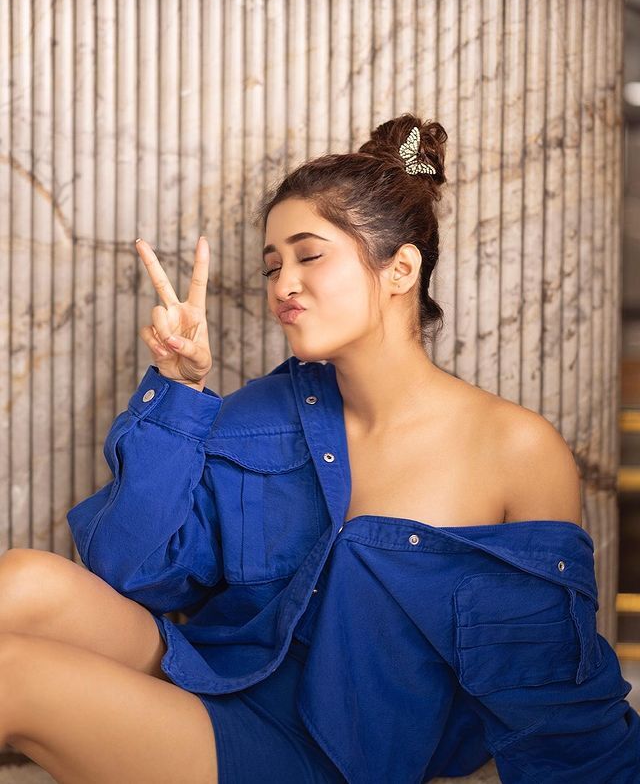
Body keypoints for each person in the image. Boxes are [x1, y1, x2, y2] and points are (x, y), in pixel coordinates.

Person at [1, 114, 637, 783]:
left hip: (320, 758)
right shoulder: (264, 414)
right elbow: (131, 572)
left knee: (12, 675)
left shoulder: (515, 449)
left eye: (309, 256)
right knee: (23, 579)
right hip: (214, 677)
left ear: (401, 269)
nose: (283, 285)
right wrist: (179, 391)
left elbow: (552, 694)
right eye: (273, 265)